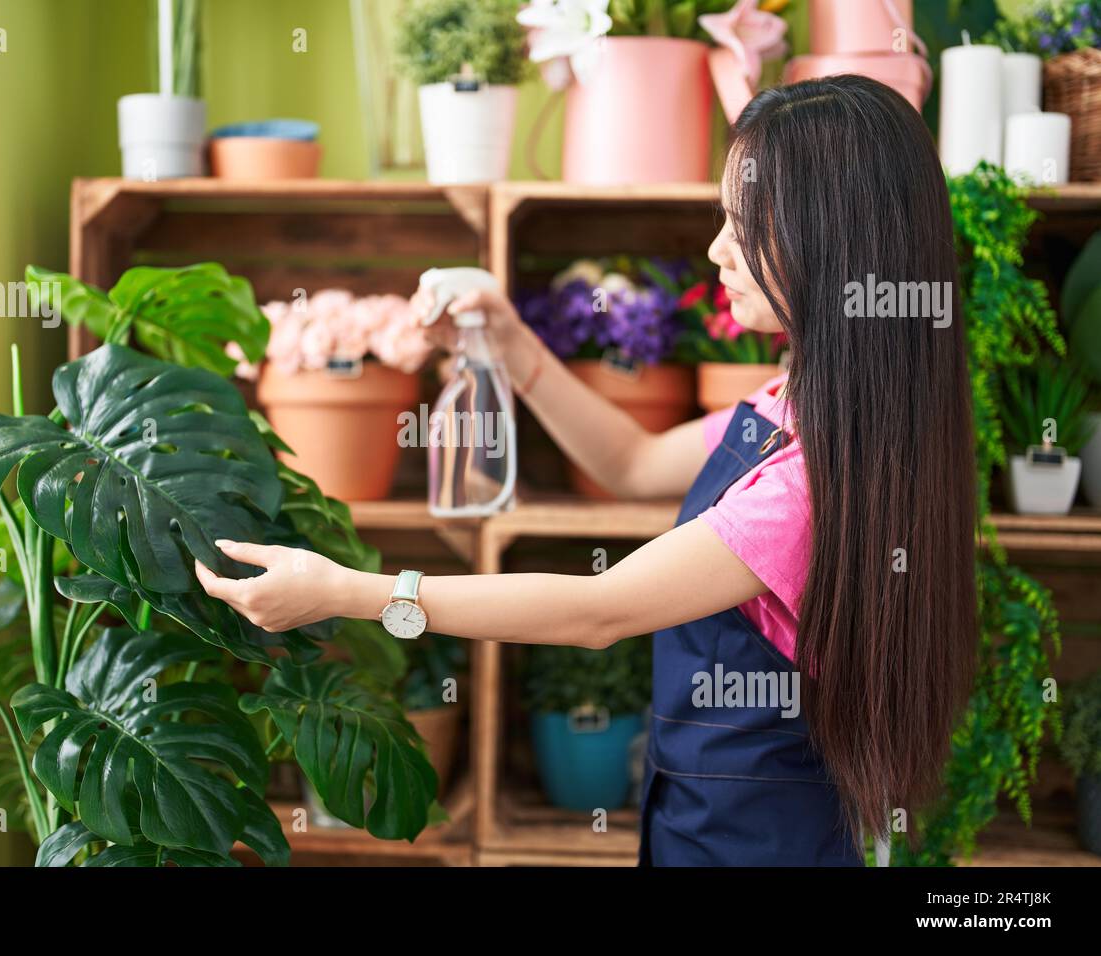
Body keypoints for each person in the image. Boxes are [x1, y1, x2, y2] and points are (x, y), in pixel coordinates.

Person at [196, 75, 978, 866]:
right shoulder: (802, 408)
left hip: (756, 843)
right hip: (702, 821)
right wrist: (510, 338)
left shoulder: (805, 489)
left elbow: (596, 611)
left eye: (744, 228)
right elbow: (631, 462)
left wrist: (345, 593)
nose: (717, 250)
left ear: (832, 244)